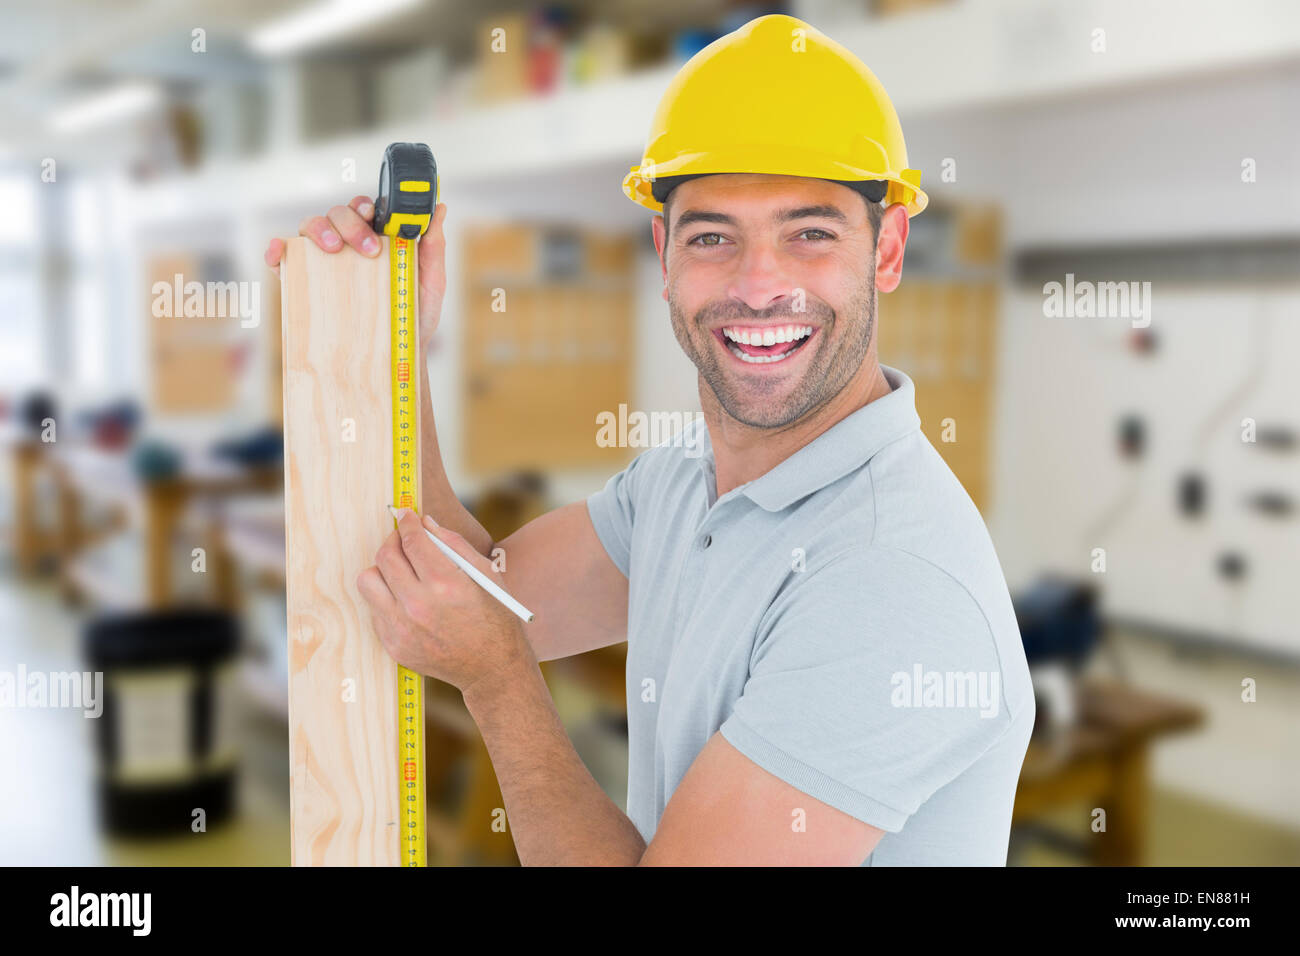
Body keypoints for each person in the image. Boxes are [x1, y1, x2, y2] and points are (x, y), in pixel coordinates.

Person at [265, 13, 1034, 866]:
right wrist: (392, 338)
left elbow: (496, 644)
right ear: (663, 251)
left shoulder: (894, 584)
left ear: (886, 249)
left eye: (810, 233)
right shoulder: (679, 482)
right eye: (713, 236)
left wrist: (500, 685)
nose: (759, 284)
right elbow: (490, 596)